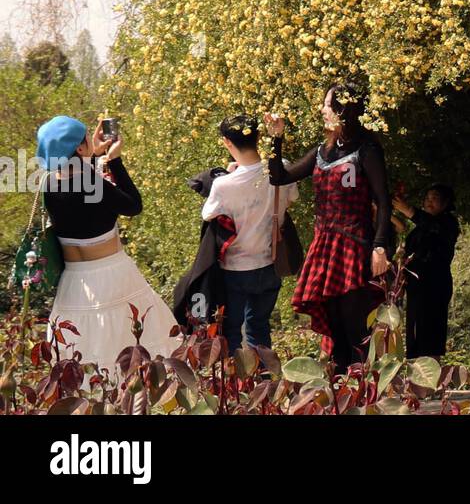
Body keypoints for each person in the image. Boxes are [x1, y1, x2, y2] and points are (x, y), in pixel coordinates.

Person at [267, 81, 394, 372]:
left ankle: (363, 391)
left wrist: (379, 246)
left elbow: (383, 202)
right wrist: (276, 139)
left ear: (343, 110)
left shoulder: (367, 149)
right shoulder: (323, 151)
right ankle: (340, 392)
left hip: (355, 247)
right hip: (324, 248)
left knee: (355, 326)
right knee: (334, 323)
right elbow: (279, 177)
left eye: (327, 104)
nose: (322, 109)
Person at [38, 116, 180, 374]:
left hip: (74, 280)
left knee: (84, 349)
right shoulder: (95, 185)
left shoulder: (48, 186)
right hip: (112, 273)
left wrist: (90, 156)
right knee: (129, 343)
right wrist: (114, 161)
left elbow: (76, 187)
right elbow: (133, 205)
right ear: (79, 148)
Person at [200, 114, 298, 351]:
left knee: (232, 331)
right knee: (260, 327)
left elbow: (208, 214)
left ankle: (237, 384)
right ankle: (264, 382)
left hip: (235, 269)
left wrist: (231, 174)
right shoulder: (281, 167)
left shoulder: (224, 185)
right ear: (259, 137)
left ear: (227, 142)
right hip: (269, 264)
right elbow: (291, 199)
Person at [394, 183, 458, 358]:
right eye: (427, 198)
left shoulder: (449, 223)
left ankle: (430, 382)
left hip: (435, 287)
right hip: (415, 288)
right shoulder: (418, 230)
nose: (429, 202)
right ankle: (416, 382)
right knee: (414, 335)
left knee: (430, 337)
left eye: (435, 198)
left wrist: (408, 210)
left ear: (445, 203)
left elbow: (432, 226)